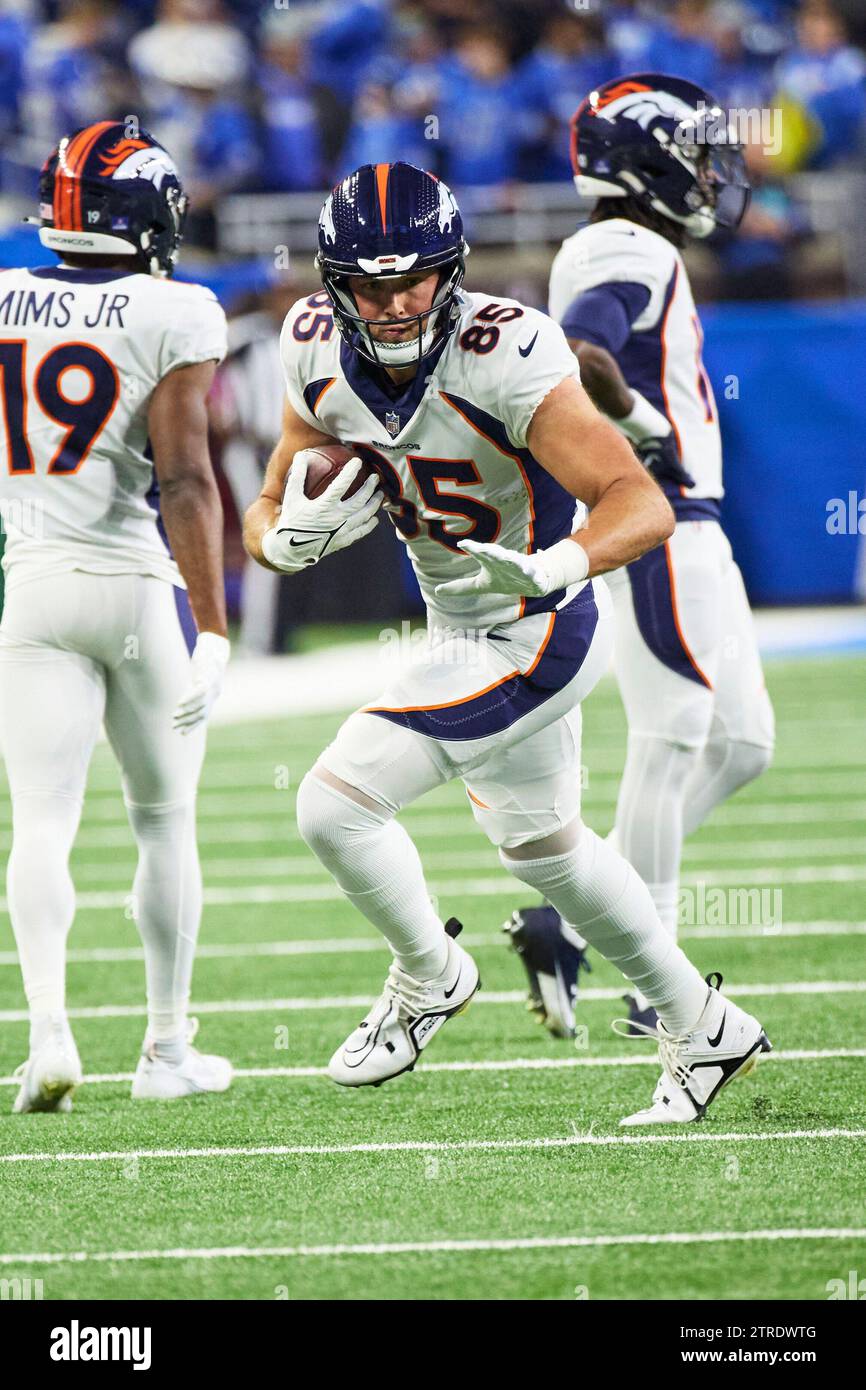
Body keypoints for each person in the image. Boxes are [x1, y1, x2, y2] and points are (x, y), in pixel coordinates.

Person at [243, 160, 771, 1125]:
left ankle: (428, 975)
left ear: (452, 272)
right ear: (334, 283)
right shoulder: (310, 344)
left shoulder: (506, 350)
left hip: (538, 624)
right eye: (371, 283)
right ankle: (706, 1027)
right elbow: (274, 488)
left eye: (414, 280)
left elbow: (640, 503)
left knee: (332, 805)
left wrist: (562, 565)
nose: (396, 304)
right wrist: (277, 541)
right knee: (548, 851)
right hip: (459, 620)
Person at [507, 73, 775, 1039]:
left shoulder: (635, 244)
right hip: (661, 517)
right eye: (695, 151)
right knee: (672, 735)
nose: (710, 172)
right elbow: (584, 354)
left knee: (743, 743)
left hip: (694, 520)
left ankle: (568, 930)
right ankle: (657, 984)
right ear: (646, 159)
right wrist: (648, 429)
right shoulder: (620, 245)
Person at [0, 121, 232, 1111]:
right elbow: (184, 477)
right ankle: (165, 1048)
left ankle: (48, 1032)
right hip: (136, 588)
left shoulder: (6, 293)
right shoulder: (177, 308)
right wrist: (215, 624)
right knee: (162, 819)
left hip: (37, 583)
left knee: (40, 825)